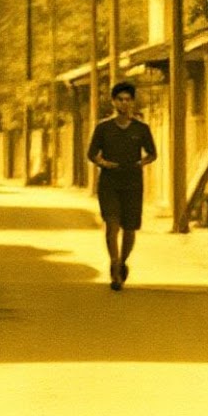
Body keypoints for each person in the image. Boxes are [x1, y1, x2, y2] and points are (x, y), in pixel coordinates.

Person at [88, 81, 157, 291]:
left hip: (133, 183)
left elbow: (152, 153)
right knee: (112, 225)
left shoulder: (141, 129)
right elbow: (91, 154)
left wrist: (141, 163)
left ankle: (123, 260)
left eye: (128, 99)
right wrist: (104, 163)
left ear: (132, 102)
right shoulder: (103, 128)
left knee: (129, 229)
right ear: (114, 102)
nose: (124, 103)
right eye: (120, 99)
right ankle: (115, 265)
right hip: (109, 182)